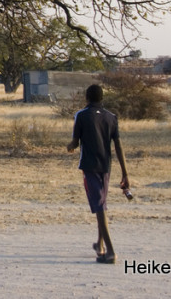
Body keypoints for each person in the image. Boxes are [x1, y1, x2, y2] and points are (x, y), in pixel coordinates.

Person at [66, 84, 129, 264]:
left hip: (89, 166)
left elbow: (75, 142)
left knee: (99, 206)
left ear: (86, 98)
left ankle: (110, 251)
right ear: (102, 99)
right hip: (105, 166)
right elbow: (118, 146)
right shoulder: (111, 117)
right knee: (101, 203)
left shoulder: (81, 115)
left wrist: (69, 147)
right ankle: (100, 245)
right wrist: (125, 173)